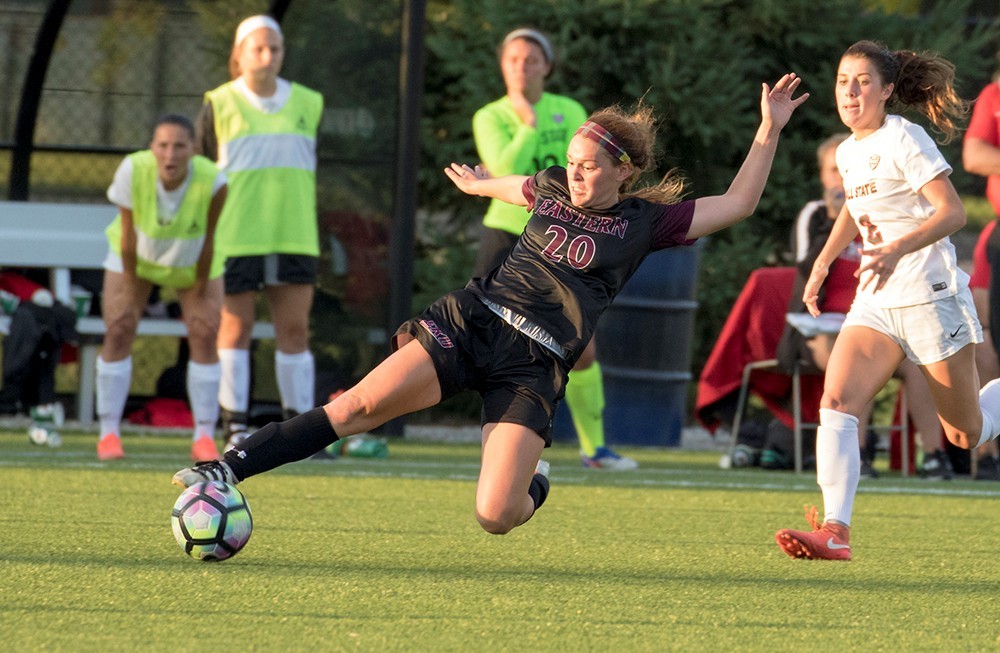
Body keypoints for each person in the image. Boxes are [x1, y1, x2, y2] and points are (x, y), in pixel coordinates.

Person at [172, 73, 808, 537]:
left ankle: (534, 482)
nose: (577, 174)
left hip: (534, 365)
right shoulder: (554, 188)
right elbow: (519, 188)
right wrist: (482, 186)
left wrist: (766, 129)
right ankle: (227, 468)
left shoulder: (646, 223)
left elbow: (738, 204)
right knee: (358, 407)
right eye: (572, 163)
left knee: (496, 517)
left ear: (623, 171)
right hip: (472, 323)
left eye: (590, 167)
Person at [774, 40, 1000, 561]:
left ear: (888, 90)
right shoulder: (850, 150)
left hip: (929, 294)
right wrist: (825, 262)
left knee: (965, 434)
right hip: (875, 299)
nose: (850, 92)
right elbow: (855, 207)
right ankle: (836, 530)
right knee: (838, 402)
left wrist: (896, 249)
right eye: (841, 81)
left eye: (863, 81)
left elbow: (951, 213)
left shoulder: (905, 136)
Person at [472, 28, 634, 470]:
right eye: (513, 60)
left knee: (582, 345)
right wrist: (526, 122)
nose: (522, 68)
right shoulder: (490, 116)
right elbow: (503, 173)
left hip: (560, 239)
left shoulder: (570, 111)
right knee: (489, 345)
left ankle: (595, 449)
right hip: (507, 238)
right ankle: (502, 448)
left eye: (530, 60)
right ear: (502, 66)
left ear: (547, 65)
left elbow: (585, 176)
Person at [194, 14, 324, 451]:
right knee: (235, 330)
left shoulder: (308, 102)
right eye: (258, 48)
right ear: (239, 54)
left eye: (275, 49)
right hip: (235, 237)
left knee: (295, 331)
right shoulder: (219, 102)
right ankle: (235, 428)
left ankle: (301, 429)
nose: (268, 57)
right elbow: (202, 171)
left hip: (294, 234)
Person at [95, 114, 227, 462]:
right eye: (163, 145)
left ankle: (203, 436)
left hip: (190, 260)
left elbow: (210, 239)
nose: (170, 154)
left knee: (203, 331)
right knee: (119, 328)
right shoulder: (132, 170)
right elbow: (126, 236)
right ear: (152, 148)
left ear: (194, 149)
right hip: (135, 259)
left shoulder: (214, 181)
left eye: (179, 146)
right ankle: (108, 433)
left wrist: (199, 289)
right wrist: (128, 288)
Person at [962, 73, 1000, 480]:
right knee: (985, 339)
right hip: (999, 236)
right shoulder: (995, 94)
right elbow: (974, 155)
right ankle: (987, 455)